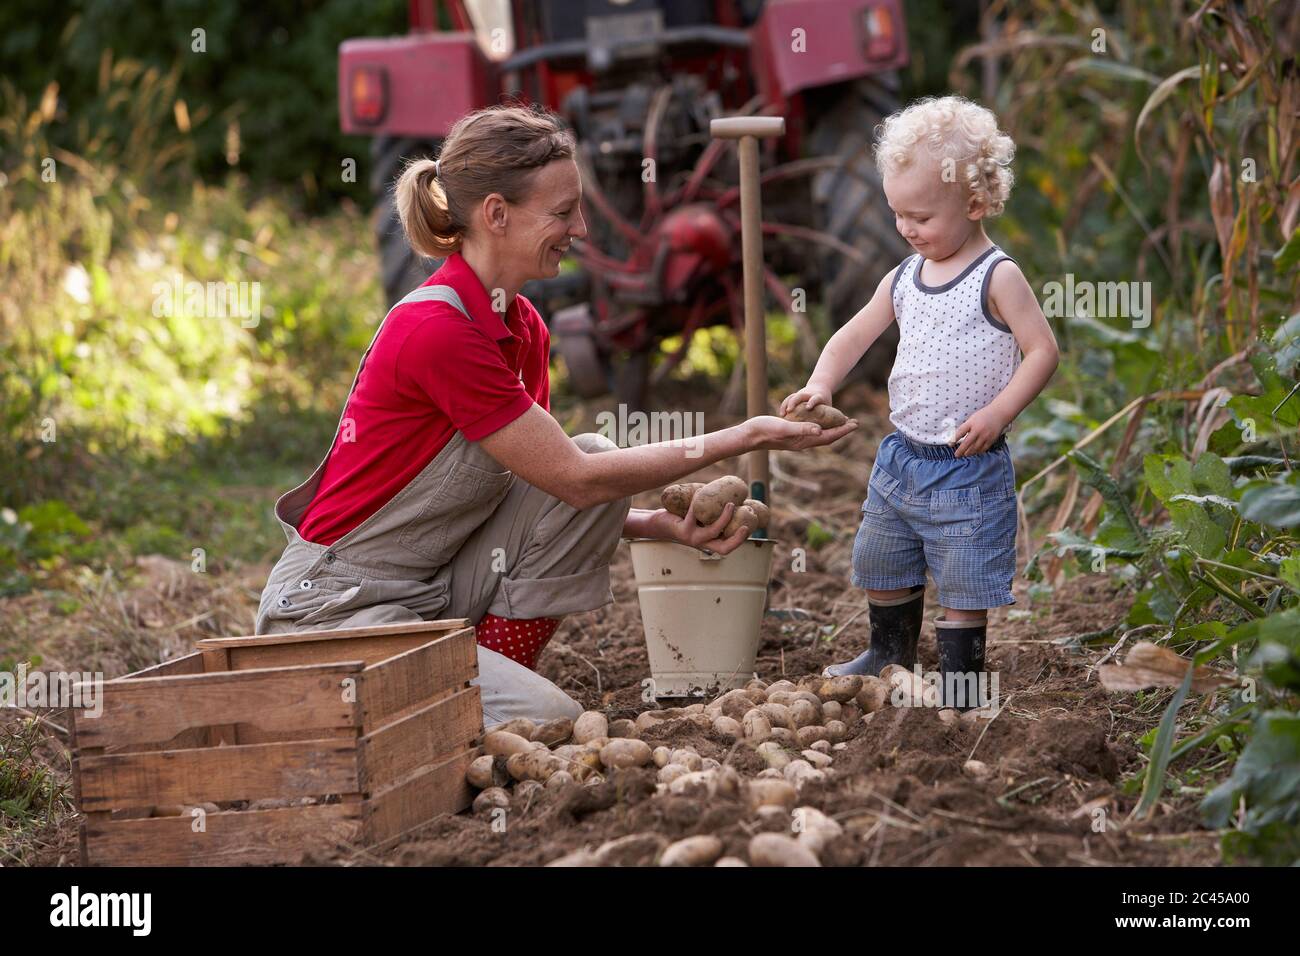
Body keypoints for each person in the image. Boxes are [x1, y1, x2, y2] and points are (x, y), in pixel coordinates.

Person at [256, 104, 857, 725]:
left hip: (428, 592)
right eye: (564, 212)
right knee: (550, 719)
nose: (583, 229)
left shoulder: (523, 327)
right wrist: (746, 434)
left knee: (596, 456)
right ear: (496, 214)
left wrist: (660, 526)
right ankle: (477, 702)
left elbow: (553, 487)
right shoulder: (434, 331)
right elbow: (575, 480)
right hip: (336, 610)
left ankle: (481, 683)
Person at [781, 95, 1059, 709]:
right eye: (898, 214)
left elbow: (1042, 352)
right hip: (901, 460)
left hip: (966, 464)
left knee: (963, 576)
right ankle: (889, 650)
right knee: (883, 558)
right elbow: (854, 334)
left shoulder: (997, 276)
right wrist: (823, 381)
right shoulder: (905, 276)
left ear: (975, 203)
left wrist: (997, 414)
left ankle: (964, 679)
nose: (907, 228)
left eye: (921, 217)